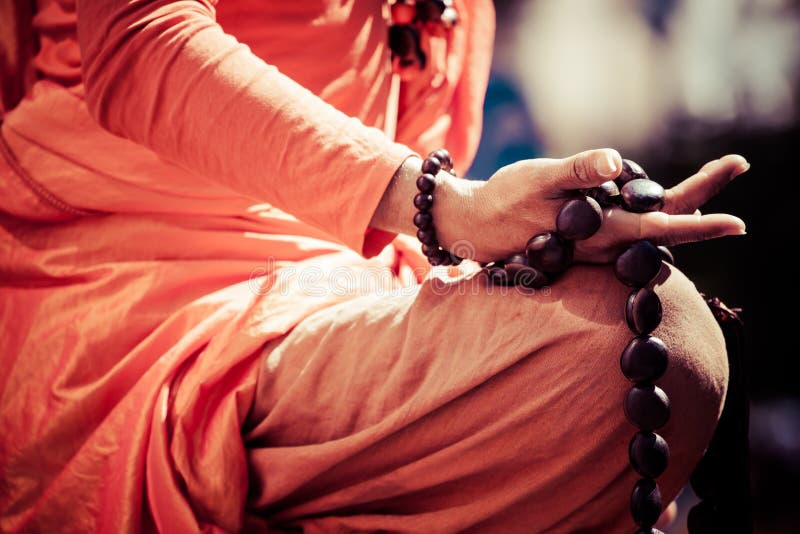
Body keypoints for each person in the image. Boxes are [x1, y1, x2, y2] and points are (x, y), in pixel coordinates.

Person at [0, 0, 748, 531]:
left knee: (639, 321)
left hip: (347, 290)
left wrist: (533, 247)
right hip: (132, 294)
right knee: (637, 357)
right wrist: (450, 210)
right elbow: (138, 37)